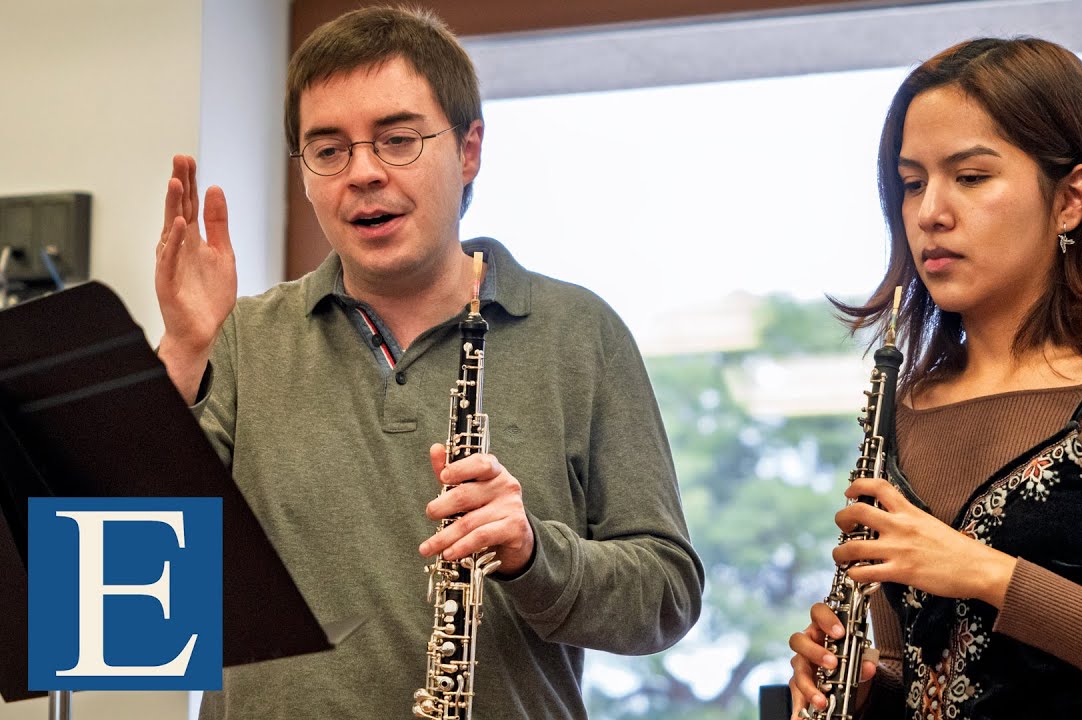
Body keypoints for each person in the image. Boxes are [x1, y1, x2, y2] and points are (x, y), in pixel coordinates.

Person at [152, 6, 703, 718]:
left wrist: (536, 554)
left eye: (398, 139)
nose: (364, 174)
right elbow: (137, 581)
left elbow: (667, 596)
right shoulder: (238, 338)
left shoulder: (581, 333)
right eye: (329, 150)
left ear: (469, 149)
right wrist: (181, 356)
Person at [788, 37, 1082, 719]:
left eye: (970, 177)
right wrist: (862, 690)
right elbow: (917, 674)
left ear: (1070, 199)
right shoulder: (909, 404)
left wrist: (984, 572)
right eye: (912, 182)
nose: (928, 213)